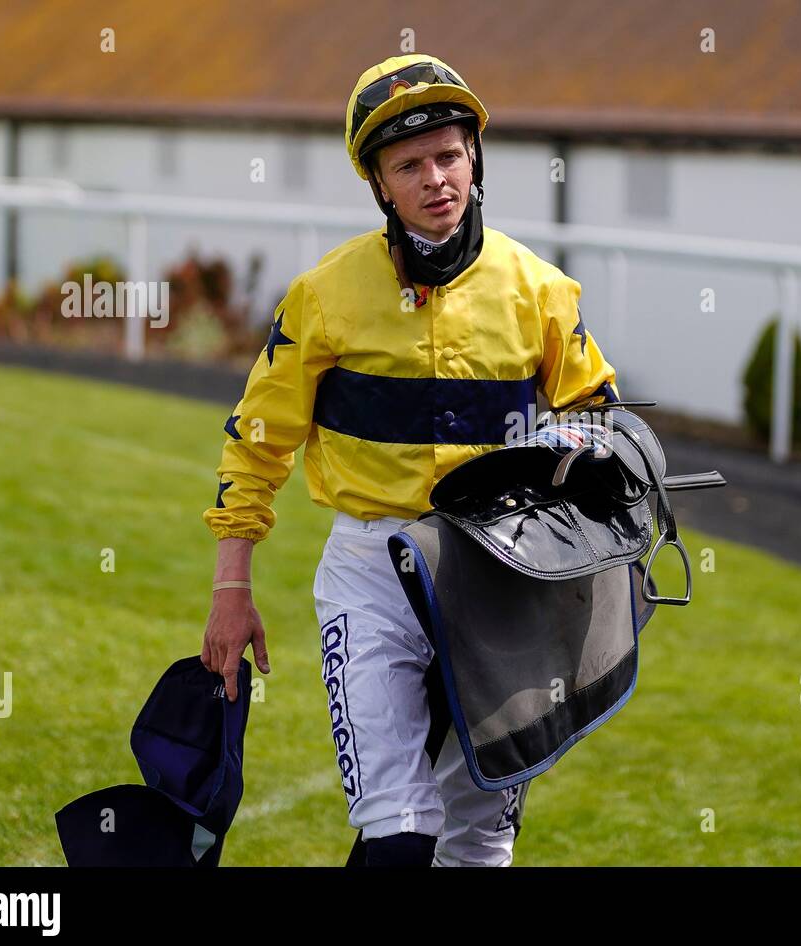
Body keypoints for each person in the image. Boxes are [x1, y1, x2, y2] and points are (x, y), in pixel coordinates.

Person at [199, 53, 621, 867]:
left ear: (475, 159)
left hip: (499, 580)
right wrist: (231, 585)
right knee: (399, 829)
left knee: (479, 842)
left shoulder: (540, 290)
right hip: (372, 571)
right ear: (379, 186)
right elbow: (257, 444)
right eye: (409, 165)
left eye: (449, 155)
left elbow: (597, 420)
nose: (436, 179)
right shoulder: (321, 298)